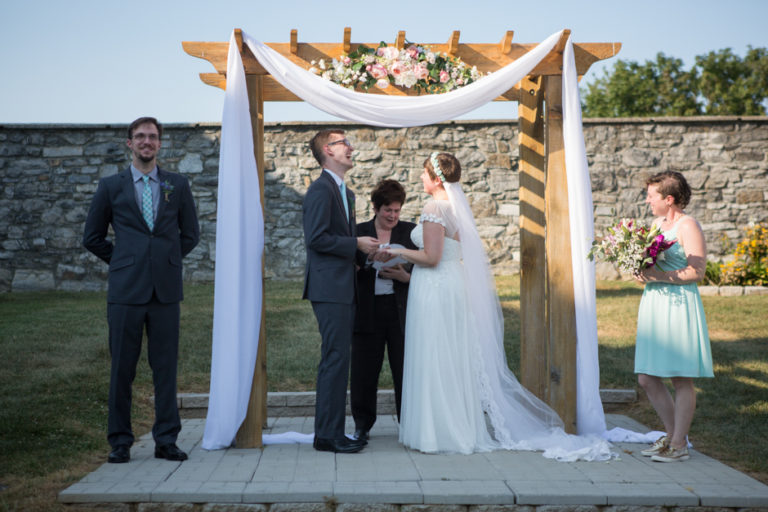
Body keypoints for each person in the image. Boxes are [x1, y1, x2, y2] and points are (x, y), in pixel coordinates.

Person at [385, 152, 614, 459]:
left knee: (435, 355)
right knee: (449, 356)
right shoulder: (455, 207)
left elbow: (431, 257)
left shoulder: (434, 206)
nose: (421, 179)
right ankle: (450, 427)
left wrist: (395, 251)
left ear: (436, 178)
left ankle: (436, 433)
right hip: (452, 283)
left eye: (424, 174)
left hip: (436, 286)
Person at [83, 117, 200, 464]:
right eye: (140, 136)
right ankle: (120, 441)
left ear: (160, 144)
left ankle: (166, 440)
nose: (146, 141)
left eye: (152, 136)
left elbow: (190, 234)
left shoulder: (177, 185)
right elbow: (92, 237)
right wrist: (124, 261)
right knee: (122, 368)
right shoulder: (110, 186)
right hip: (125, 293)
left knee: (165, 369)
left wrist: (163, 261)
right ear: (129, 144)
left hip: (165, 293)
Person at [302, 129, 380, 453]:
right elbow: (316, 239)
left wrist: (366, 254)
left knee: (339, 358)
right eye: (343, 143)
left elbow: (342, 242)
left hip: (344, 285)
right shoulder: (320, 190)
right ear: (326, 150)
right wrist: (356, 243)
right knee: (335, 359)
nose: (351, 147)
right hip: (328, 287)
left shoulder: (346, 193)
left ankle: (331, 432)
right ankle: (327, 436)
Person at [634, 171, 714, 463]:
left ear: (669, 199)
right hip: (655, 302)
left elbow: (697, 271)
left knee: (681, 377)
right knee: (646, 377)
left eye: (652, 196)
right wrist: (641, 271)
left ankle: (679, 444)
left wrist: (660, 276)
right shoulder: (657, 224)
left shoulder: (687, 225)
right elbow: (652, 266)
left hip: (679, 303)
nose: (647, 200)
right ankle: (672, 438)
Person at [351, 179, 417, 442]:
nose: (392, 216)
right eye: (387, 210)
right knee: (364, 369)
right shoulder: (358, 231)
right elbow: (348, 271)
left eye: (397, 210)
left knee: (405, 367)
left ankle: (410, 424)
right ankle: (362, 426)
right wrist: (368, 261)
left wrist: (404, 275)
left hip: (400, 308)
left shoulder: (411, 233)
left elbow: (425, 267)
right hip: (368, 308)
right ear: (375, 208)